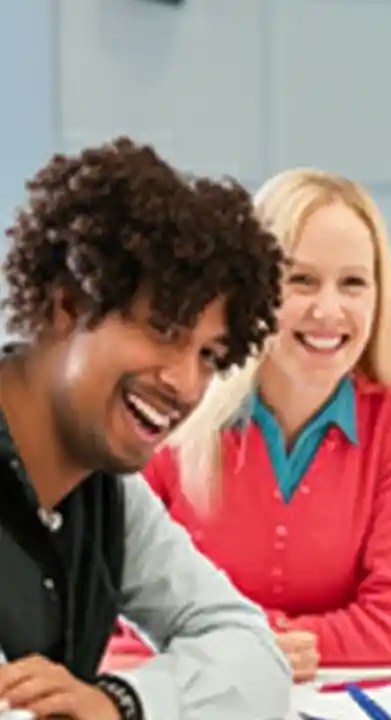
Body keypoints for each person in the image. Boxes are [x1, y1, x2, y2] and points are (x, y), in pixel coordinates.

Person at [102, 169, 391, 680]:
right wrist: (254, 646)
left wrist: (234, 643)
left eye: (353, 283)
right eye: (301, 280)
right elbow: (113, 611)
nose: (329, 310)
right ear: (253, 291)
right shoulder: (175, 407)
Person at [0, 138, 291, 718]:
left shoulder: (108, 496)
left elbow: (255, 654)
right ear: (67, 306)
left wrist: (122, 704)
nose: (186, 384)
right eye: (163, 330)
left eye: (210, 355)